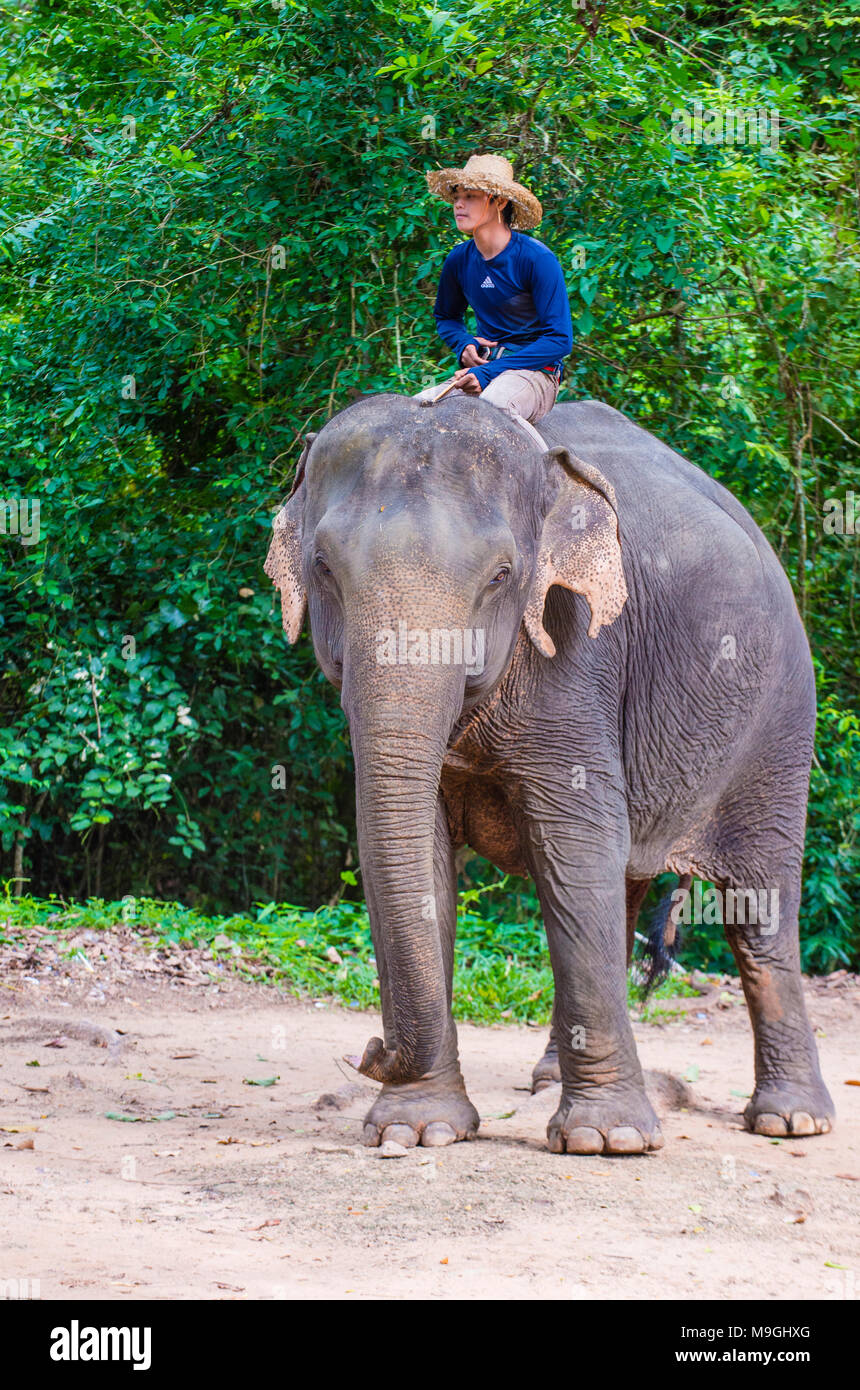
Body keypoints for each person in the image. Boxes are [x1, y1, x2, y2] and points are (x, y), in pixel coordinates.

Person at [414, 153, 574, 429]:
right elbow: (446, 316)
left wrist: (489, 372)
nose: (458, 204)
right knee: (413, 412)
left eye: (471, 196)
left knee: (491, 413)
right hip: (484, 369)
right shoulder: (458, 260)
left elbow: (560, 340)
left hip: (535, 373)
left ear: (499, 201)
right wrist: (463, 343)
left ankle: (547, 470)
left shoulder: (536, 259)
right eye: (456, 196)